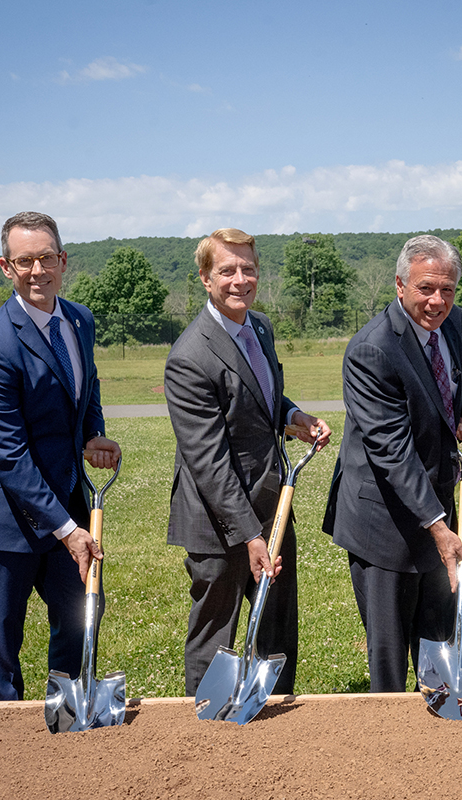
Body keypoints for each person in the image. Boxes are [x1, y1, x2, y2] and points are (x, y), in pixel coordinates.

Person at [165, 227, 330, 697]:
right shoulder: (189, 356)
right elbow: (209, 461)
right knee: (215, 628)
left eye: (248, 268)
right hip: (217, 519)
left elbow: (259, 395)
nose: (240, 279)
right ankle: (205, 718)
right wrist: (250, 535)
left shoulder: (259, 327)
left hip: (271, 501)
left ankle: (275, 713)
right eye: (227, 270)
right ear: (205, 278)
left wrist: (292, 416)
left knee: (276, 624)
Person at [322, 234, 462, 692]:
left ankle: (440, 713)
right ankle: (387, 727)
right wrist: (438, 525)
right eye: (425, 288)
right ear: (399, 284)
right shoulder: (372, 349)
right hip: (382, 519)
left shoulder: (453, 323)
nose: (437, 301)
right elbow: (390, 449)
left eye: (447, 290)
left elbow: (454, 380)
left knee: (440, 633)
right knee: (389, 653)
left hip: (435, 506)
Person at [0, 211, 121, 701]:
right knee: (1, 646)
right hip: (8, 522)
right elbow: (8, 453)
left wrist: (94, 434)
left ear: (63, 260)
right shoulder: (0, 342)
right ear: (6, 267)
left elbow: (88, 387)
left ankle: (67, 720)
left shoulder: (79, 319)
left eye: (46, 258)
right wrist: (67, 530)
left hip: (69, 502)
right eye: (24, 261)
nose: (37, 270)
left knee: (81, 617)